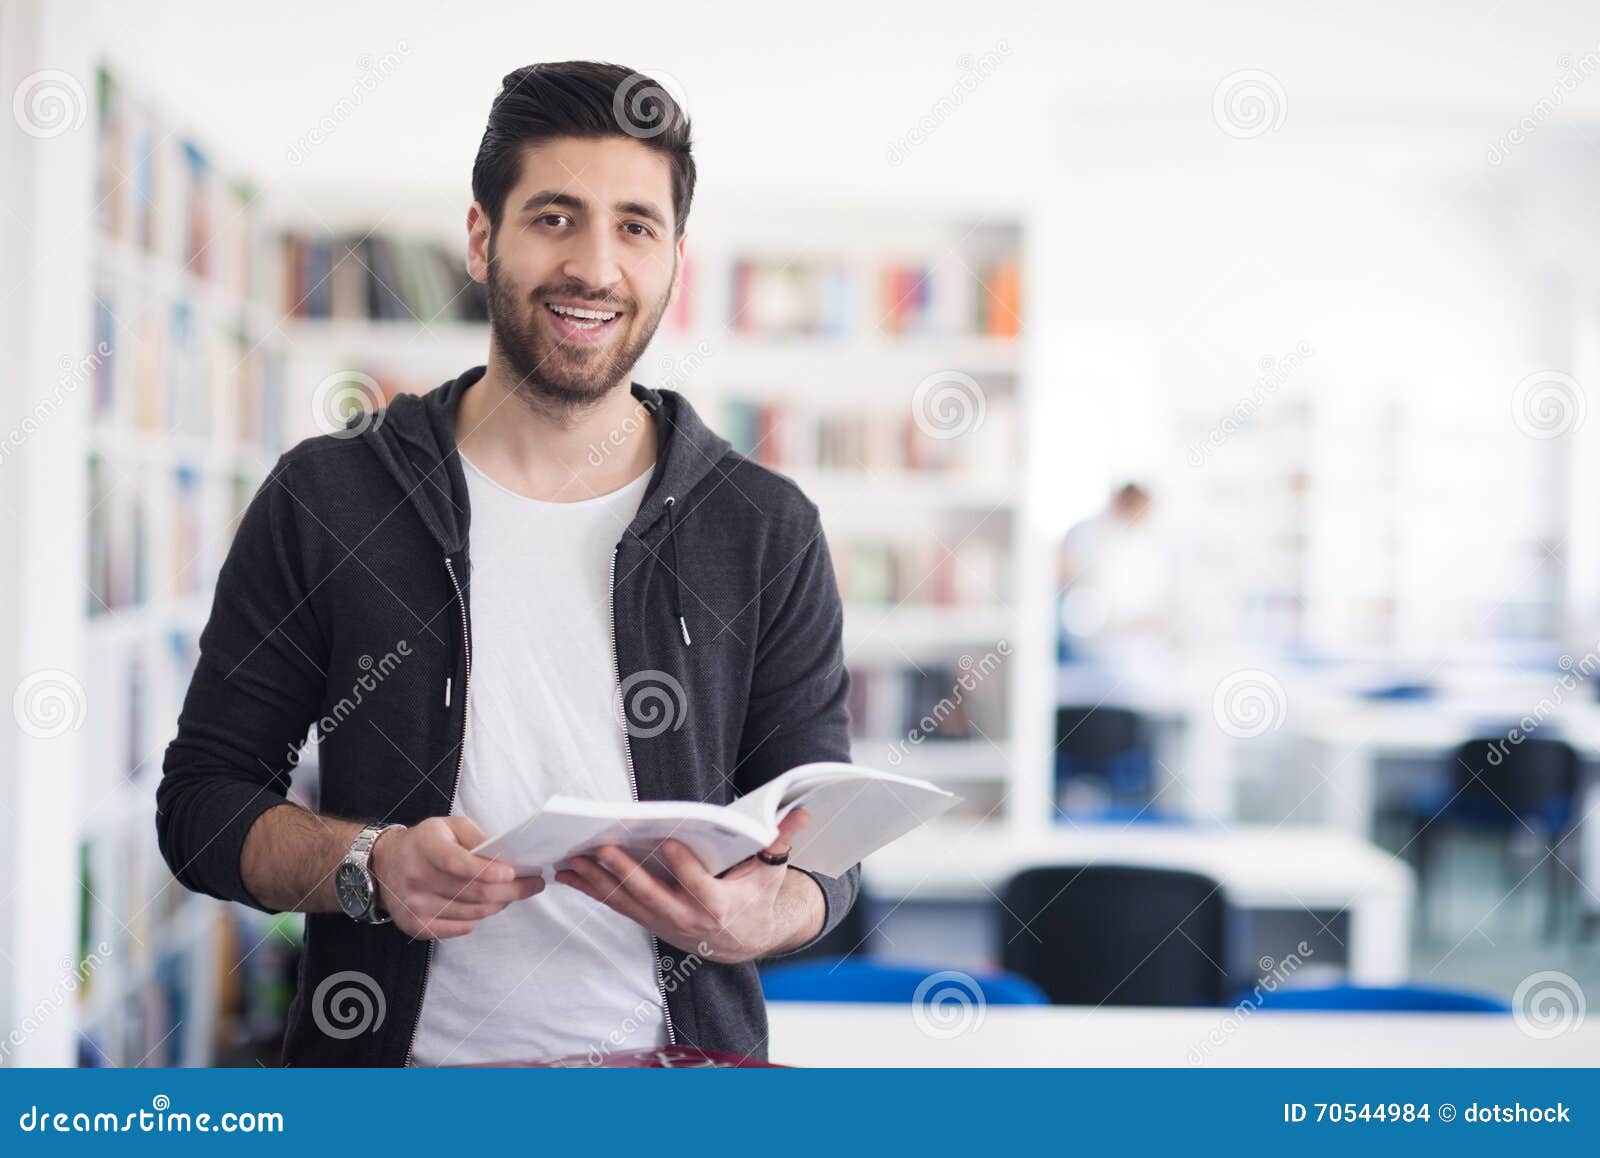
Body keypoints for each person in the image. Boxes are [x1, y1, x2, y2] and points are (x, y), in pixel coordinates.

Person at [156, 61, 856, 1067]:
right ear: (483, 239)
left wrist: (763, 915)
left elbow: (825, 853)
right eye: (555, 217)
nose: (595, 267)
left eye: (635, 227)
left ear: (674, 261)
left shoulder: (763, 525)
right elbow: (202, 804)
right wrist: (369, 866)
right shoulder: (327, 496)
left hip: (679, 1083)